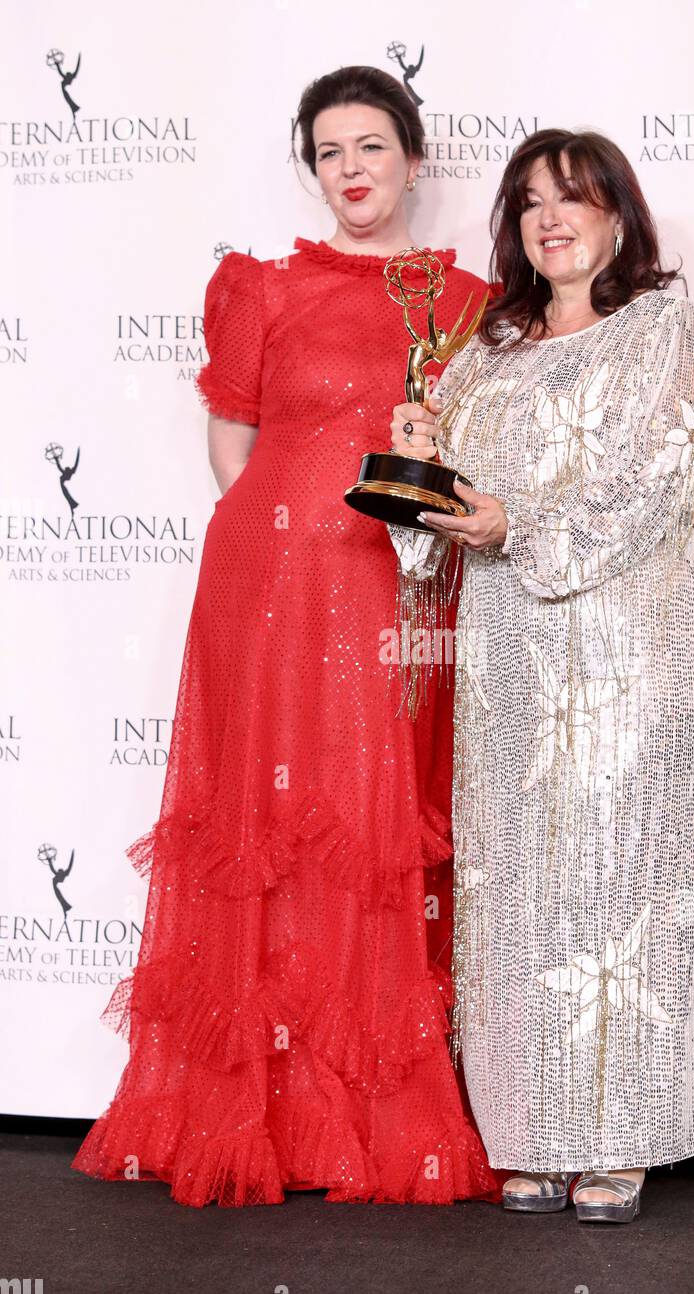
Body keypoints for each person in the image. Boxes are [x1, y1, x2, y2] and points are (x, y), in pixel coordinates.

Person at [71, 65, 497, 1208]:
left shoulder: (467, 304)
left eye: (370, 146)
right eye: (328, 153)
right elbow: (233, 441)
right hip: (263, 591)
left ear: (414, 157)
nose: (350, 171)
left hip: (393, 592)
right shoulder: (260, 286)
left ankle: (358, 1112)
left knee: (369, 828)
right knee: (261, 823)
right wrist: (278, 542)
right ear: (310, 170)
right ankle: (246, 1108)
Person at [388, 128, 694, 1222]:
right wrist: (416, 459)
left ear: (615, 218)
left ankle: (626, 1136)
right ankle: (535, 1131)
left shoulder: (663, 331)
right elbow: (440, 522)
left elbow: (658, 478)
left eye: (575, 199)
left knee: (620, 879)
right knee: (520, 894)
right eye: (531, 202)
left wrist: (516, 520)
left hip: (634, 646)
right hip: (510, 654)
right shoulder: (481, 352)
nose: (552, 219)